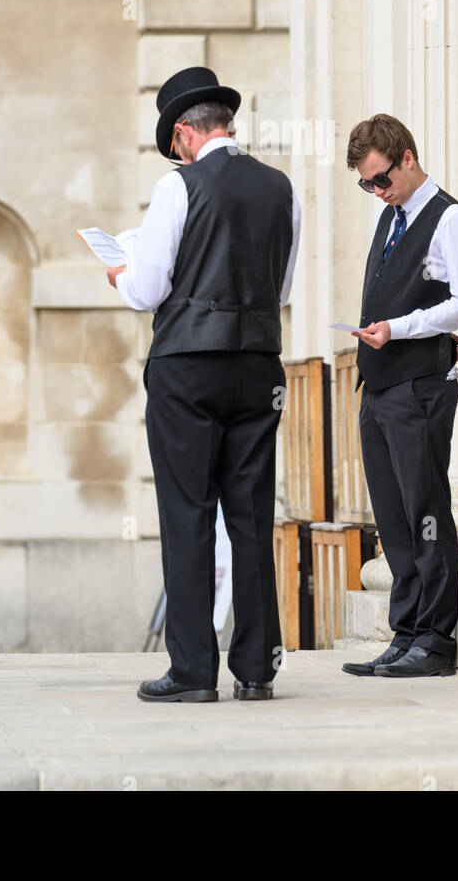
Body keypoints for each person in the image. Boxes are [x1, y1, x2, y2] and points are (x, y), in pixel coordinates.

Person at [108, 67, 301, 702]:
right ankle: (256, 669)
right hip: (258, 365)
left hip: (188, 366)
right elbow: (282, 289)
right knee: (249, 514)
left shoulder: (177, 188)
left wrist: (119, 275)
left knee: (188, 513)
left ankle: (193, 673)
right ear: (228, 125)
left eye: (177, 141)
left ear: (187, 133)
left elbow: (148, 288)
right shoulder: (282, 189)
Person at [342, 113, 458, 679]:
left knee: (425, 507)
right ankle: (406, 632)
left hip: (419, 385)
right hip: (379, 383)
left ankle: (435, 638)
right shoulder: (391, 217)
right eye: (367, 185)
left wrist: (402, 328)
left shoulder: (452, 219)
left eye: (382, 179)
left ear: (406, 157)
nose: (378, 192)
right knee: (394, 514)